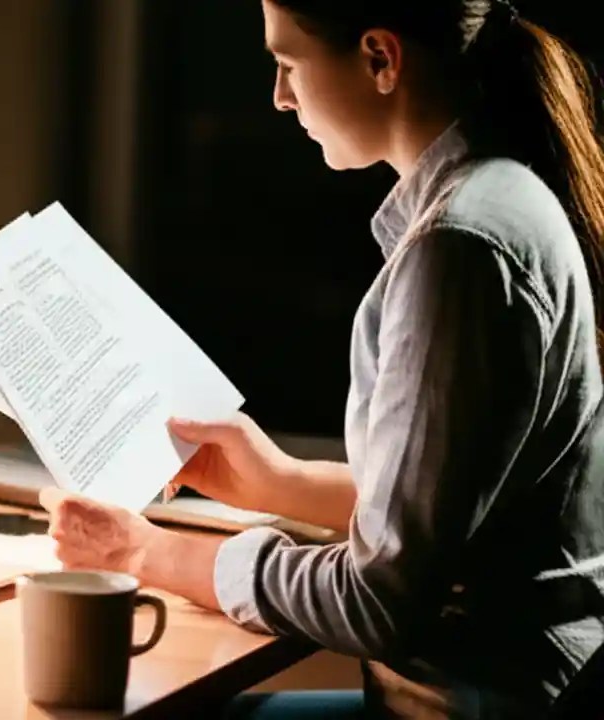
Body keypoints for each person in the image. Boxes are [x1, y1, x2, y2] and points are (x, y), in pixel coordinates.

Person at [38, 1, 604, 717]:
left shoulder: (462, 247)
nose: (279, 96)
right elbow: (452, 522)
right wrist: (280, 481)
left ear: (379, 59)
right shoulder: (497, 198)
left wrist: (143, 555)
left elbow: (380, 602)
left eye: (287, 63)